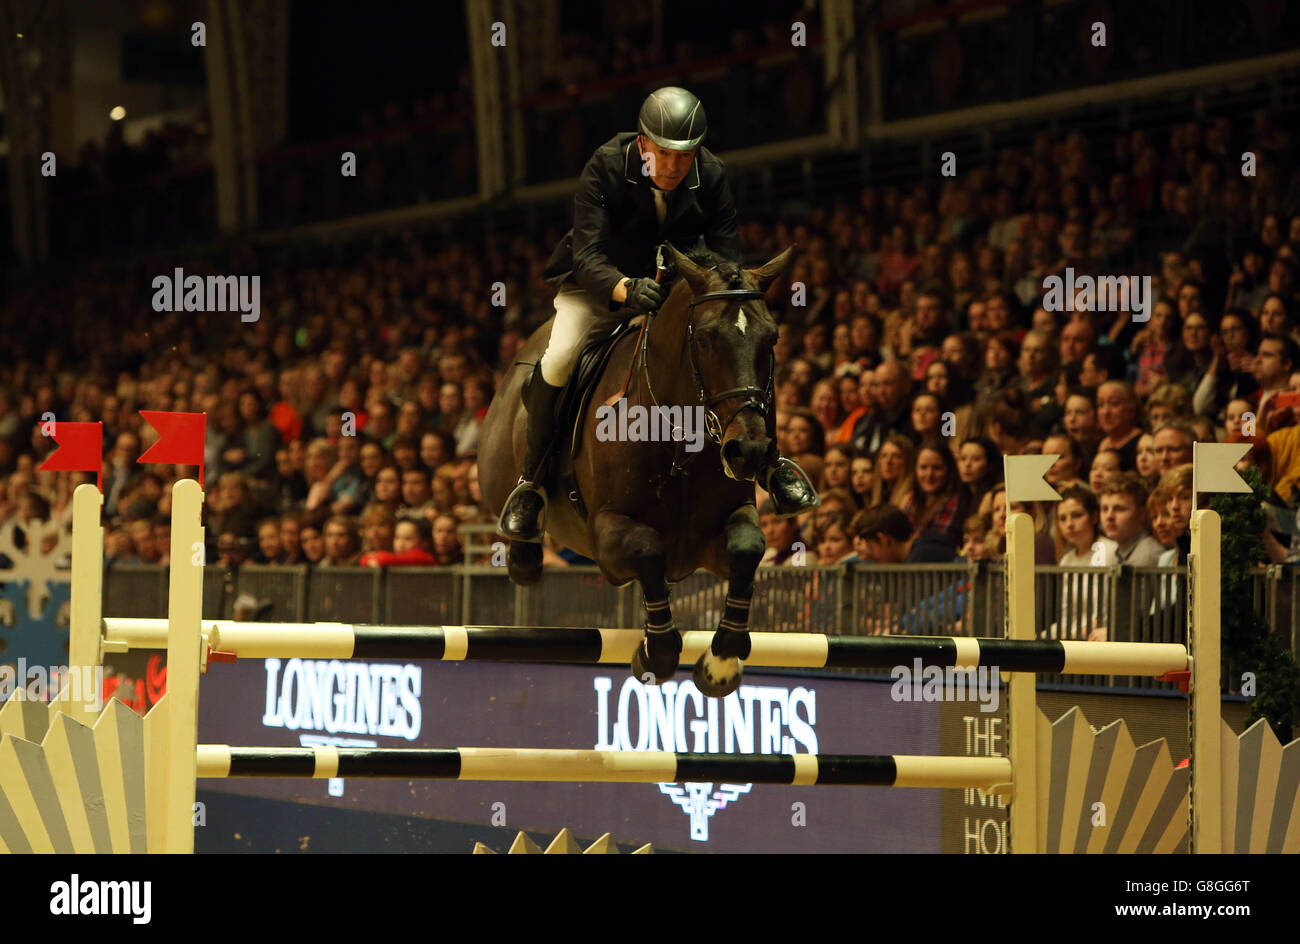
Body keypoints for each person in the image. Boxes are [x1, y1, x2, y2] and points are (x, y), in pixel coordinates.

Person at [500, 86, 817, 540]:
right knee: (560, 356)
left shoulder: (711, 173)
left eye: (685, 157)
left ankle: (770, 464)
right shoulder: (606, 165)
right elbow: (588, 253)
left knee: (737, 349)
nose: (674, 167)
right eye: (664, 155)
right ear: (644, 143)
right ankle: (531, 482)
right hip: (600, 284)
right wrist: (624, 287)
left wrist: (708, 288)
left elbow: (726, 259)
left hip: (678, 288)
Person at [1097, 473, 1165, 566]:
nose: (1109, 516)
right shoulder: (1116, 553)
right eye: (1105, 509)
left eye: (1119, 509)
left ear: (1141, 515)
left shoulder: (1147, 555)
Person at [854, 503, 957, 563]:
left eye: (872, 548)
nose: (875, 561)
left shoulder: (922, 558)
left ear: (884, 540)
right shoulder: (924, 548)